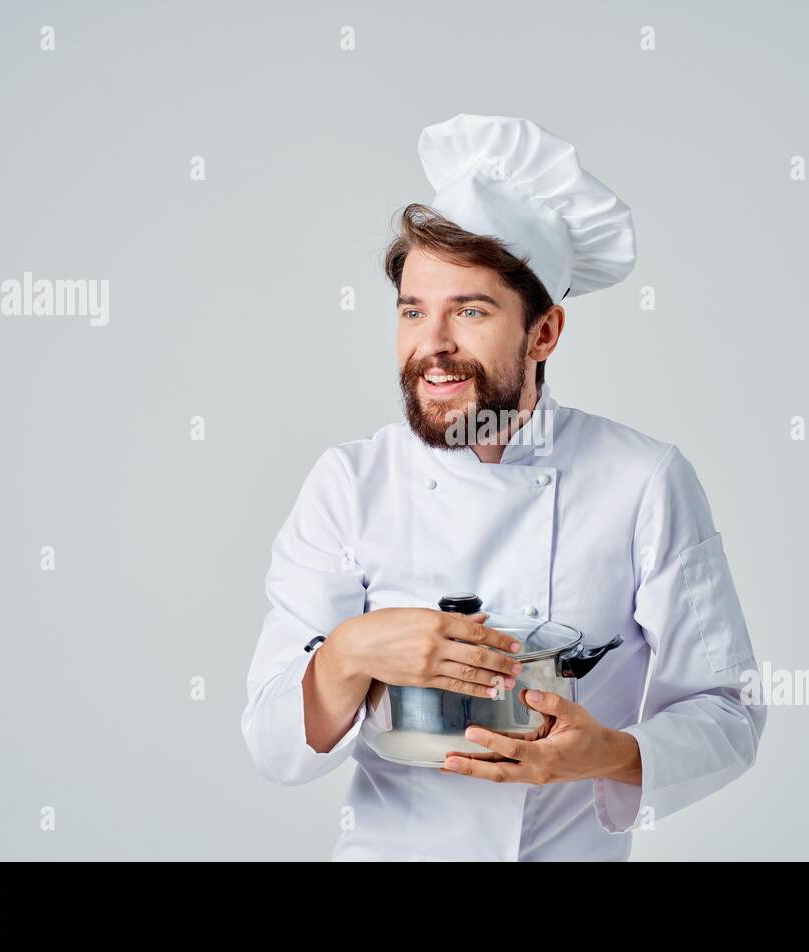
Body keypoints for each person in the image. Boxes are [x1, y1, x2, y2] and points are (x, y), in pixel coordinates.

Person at [241, 114, 767, 861]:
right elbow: (273, 745)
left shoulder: (643, 481)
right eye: (414, 310)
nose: (434, 346)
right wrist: (350, 652)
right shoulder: (350, 484)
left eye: (471, 310)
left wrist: (608, 753)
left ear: (544, 333)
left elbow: (728, 712)